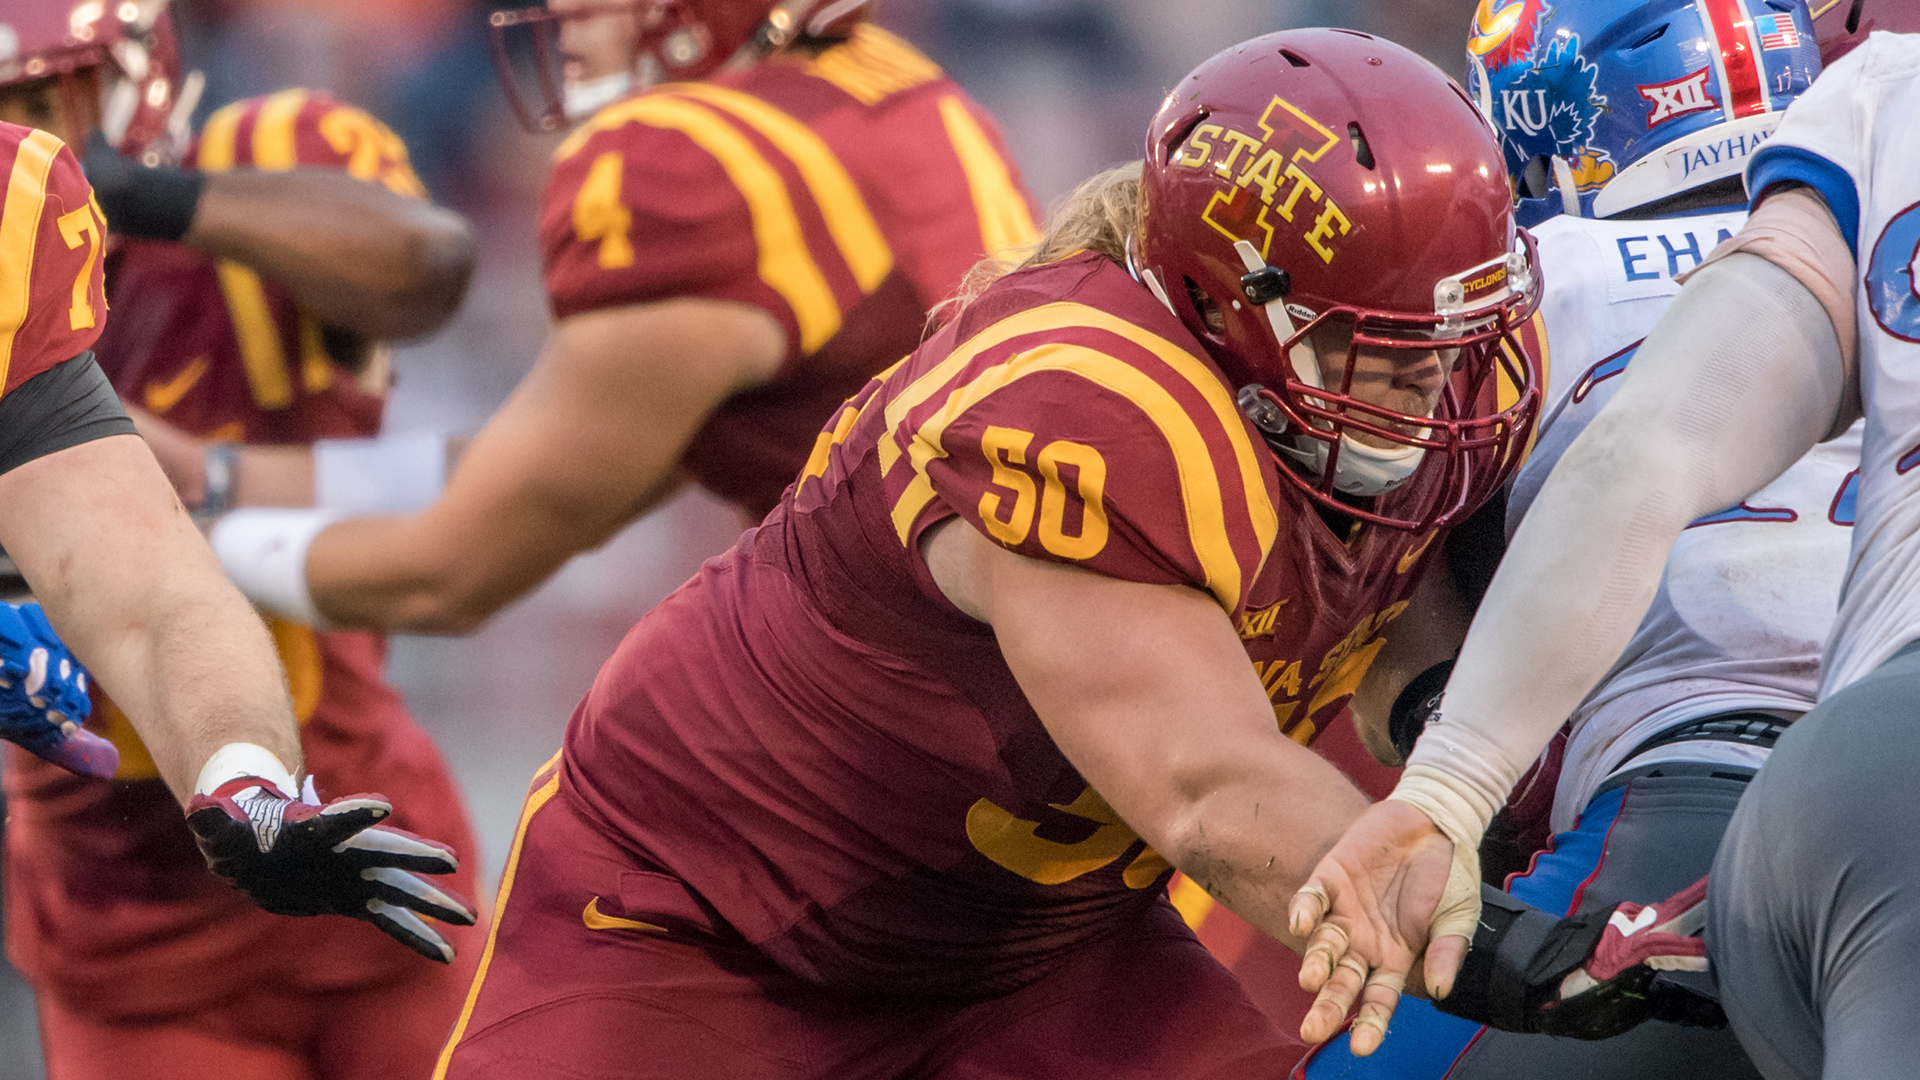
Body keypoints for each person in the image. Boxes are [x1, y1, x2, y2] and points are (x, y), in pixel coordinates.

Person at [428, 28, 1543, 1079]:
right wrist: (1493, 945)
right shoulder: (1084, 412)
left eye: (1450, 341)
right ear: (1230, 295)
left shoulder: (1453, 378)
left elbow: (1400, 657)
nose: (1429, 389)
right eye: (1379, 343)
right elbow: (1208, 789)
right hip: (710, 925)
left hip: (1034, 951)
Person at [1286, 22, 1920, 1080]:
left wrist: (1453, 778)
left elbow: (1634, 457)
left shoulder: (1526, 286)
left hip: (1693, 808)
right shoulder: (1866, 137)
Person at [191, 0, 1038, 635]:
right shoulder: (888, 83)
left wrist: (169, 552)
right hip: (1023, 664)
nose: (559, 8)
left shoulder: (689, 172)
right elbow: (515, 470)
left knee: (601, 798)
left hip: (917, 711)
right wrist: (214, 483)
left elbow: (445, 573)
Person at [0, 6, 488, 1079]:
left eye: (34, 107)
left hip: (355, 824)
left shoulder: (257, 176)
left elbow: (430, 273)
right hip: (122, 918)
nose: (22, 148)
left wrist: (141, 196)